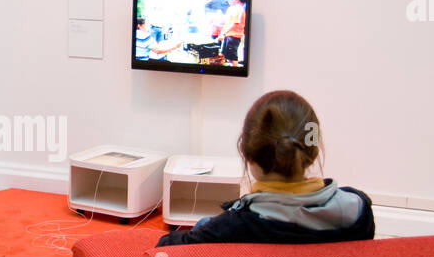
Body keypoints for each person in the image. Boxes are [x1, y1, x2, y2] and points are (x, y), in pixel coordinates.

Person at [157, 90, 375, 245]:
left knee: (204, 222)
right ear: (314, 151)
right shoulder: (359, 212)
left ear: (247, 154)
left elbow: (167, 250)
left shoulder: (227, 229)